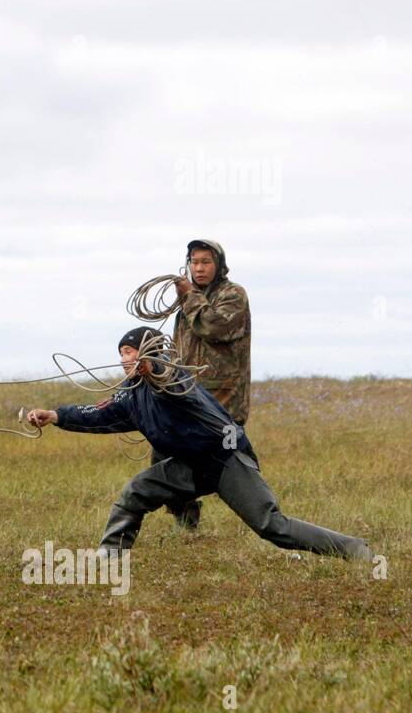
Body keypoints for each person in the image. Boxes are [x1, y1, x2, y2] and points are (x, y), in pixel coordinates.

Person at [24, 327, 371, 561]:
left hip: (225, 459)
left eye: (130, 352)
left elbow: (171, 383)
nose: (124, 359)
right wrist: (55, 415)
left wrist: (154, 367)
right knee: (136, 492)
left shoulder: (174, 378)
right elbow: (99, 414)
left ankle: (355, 549)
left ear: (151, 353)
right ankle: (110, 556)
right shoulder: (132, 395)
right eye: (121, 353)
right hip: (189, 466)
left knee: (272, 527)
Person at [158, 238, 251, 530]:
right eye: (194, 262)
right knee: (165, 455)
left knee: (226, 464)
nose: (199, 268)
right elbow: (180, 347)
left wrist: (189, 297)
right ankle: (184, 518)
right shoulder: (189, 299)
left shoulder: (233, 295)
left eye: (206, 262)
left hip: (222, 399)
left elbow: (214, 327)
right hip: (186, 396)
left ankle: (261, 514)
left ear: (218, 265)